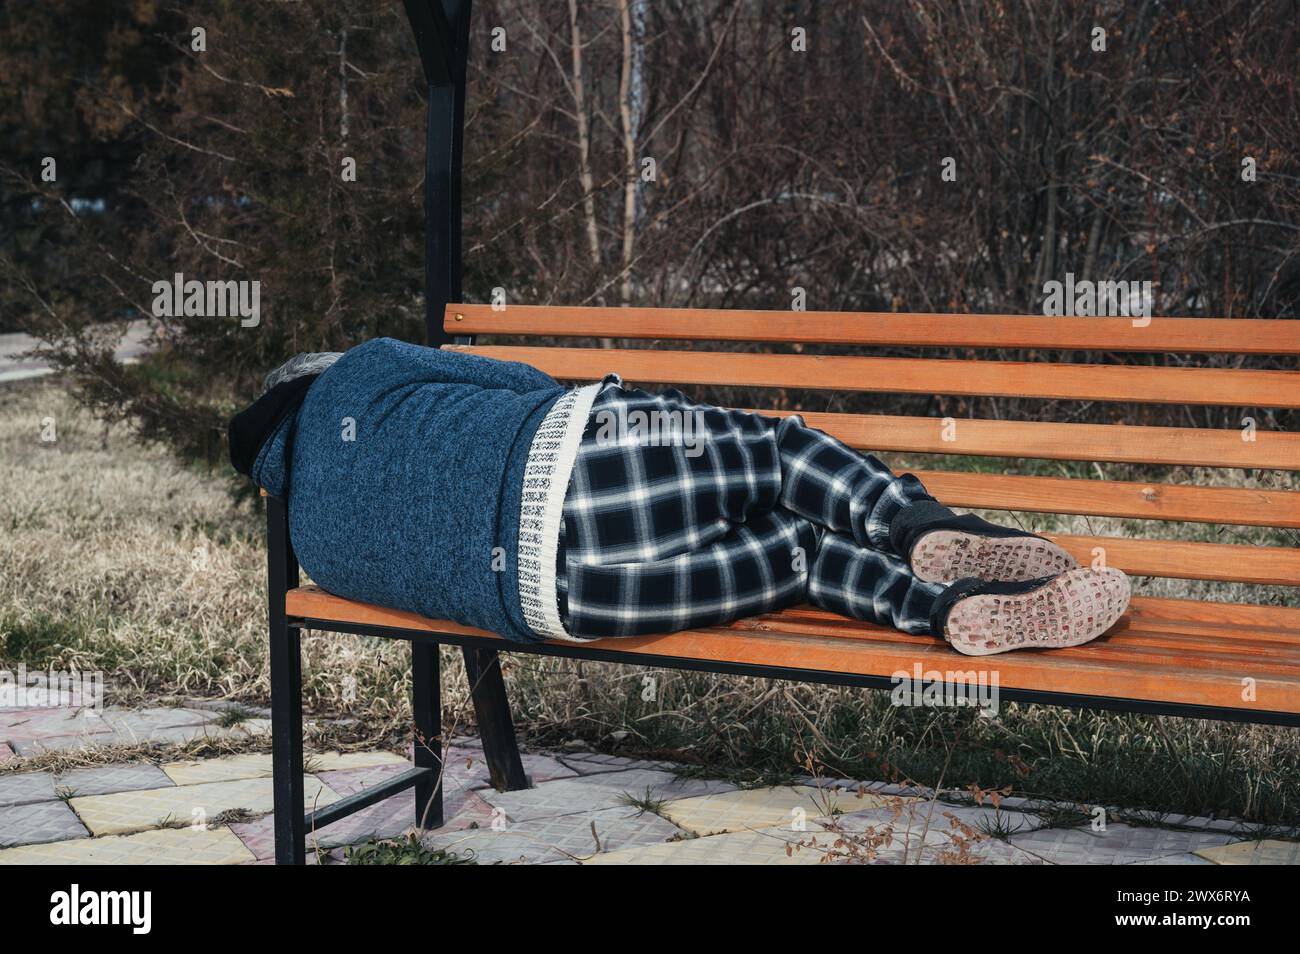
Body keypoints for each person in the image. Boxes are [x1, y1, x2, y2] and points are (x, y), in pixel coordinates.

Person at [229, 338, 1130, 656]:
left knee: (800, 557)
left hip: (568, 602)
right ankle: (918, 525)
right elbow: (520, 380)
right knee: (780, 457)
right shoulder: (365, 371)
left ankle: (944, 610)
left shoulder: (315, 543)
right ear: (309, 381)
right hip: (579, 464)